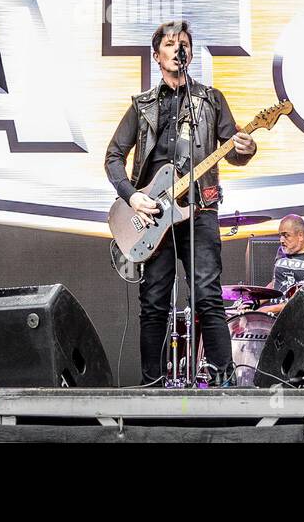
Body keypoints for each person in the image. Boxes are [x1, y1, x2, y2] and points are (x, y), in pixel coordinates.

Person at [105, 20, 257, 385]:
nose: (177, 48)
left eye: (183, 43)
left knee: (208, 296)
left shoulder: (210, 99)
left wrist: (246, 150)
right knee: (154, 302)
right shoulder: (142, 106)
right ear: (157, 56)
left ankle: (223, 380)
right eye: (170, 44)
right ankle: (152, 384)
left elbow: (230, 150)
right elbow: (113, 156)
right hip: (154, 216)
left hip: (199, 208)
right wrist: (134, 196)